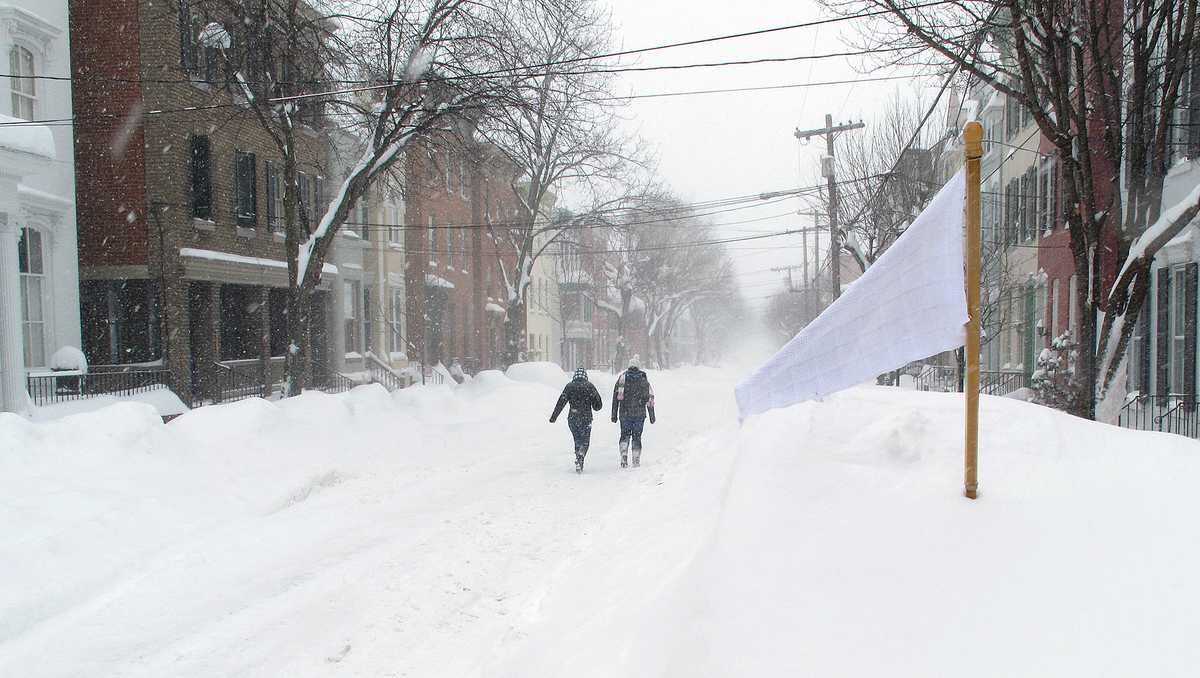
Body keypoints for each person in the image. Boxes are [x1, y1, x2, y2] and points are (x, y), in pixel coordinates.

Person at [550, 368, 603, 473]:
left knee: (577, 439)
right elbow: (598, 405)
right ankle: (581, 454)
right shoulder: (589, 386)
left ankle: (579, 456)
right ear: (585, 376)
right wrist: (594, 403)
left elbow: (561, 402)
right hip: (586, 418)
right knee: (585, 440)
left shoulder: (569, 386)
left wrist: (554, 416)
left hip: (573, 418)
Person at [611, 355, 655, 468]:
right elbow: (650, 398)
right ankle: (636, 458)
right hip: (639, 414)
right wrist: (652, 415)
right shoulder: (643, 380)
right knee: (637, 436)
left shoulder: (622, 379)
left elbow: (615, 398)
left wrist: (614, 414)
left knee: (624, 434)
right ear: (638, 367)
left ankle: (624, 454)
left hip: (624, 413)